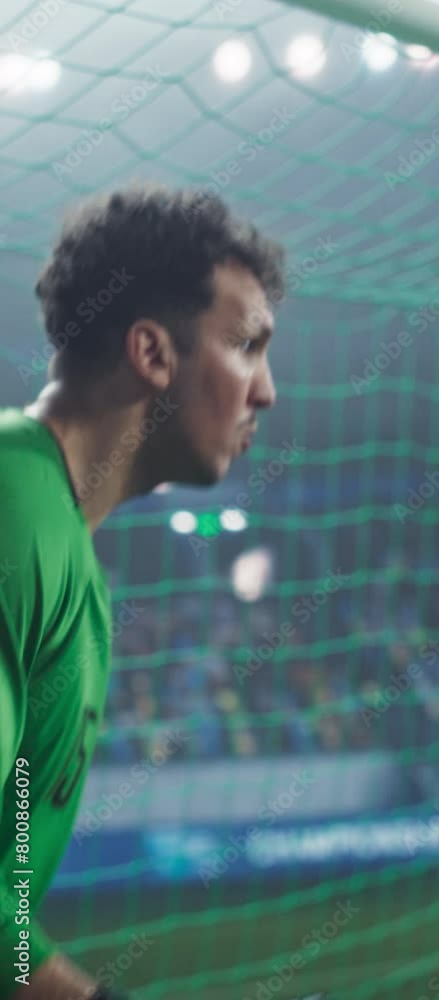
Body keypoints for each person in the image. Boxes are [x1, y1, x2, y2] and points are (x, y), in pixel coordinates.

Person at [0, 182, 285, 999]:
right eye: (247, 346)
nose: (266, 390)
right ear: (153, 353)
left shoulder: (64, 546)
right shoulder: (13, 511)